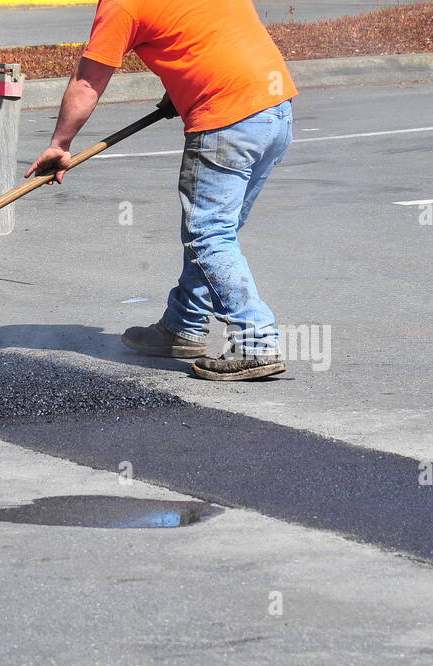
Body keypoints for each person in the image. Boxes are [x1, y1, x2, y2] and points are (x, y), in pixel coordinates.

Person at [25, 0, 298, 381]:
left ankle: (257, 341)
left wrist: (60, 143)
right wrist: (183, 88)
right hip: (274, 109)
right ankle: (183, 325)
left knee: (209, 235)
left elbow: (88, 81)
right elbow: (214, 33)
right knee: (221, 231)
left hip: (228, 118)